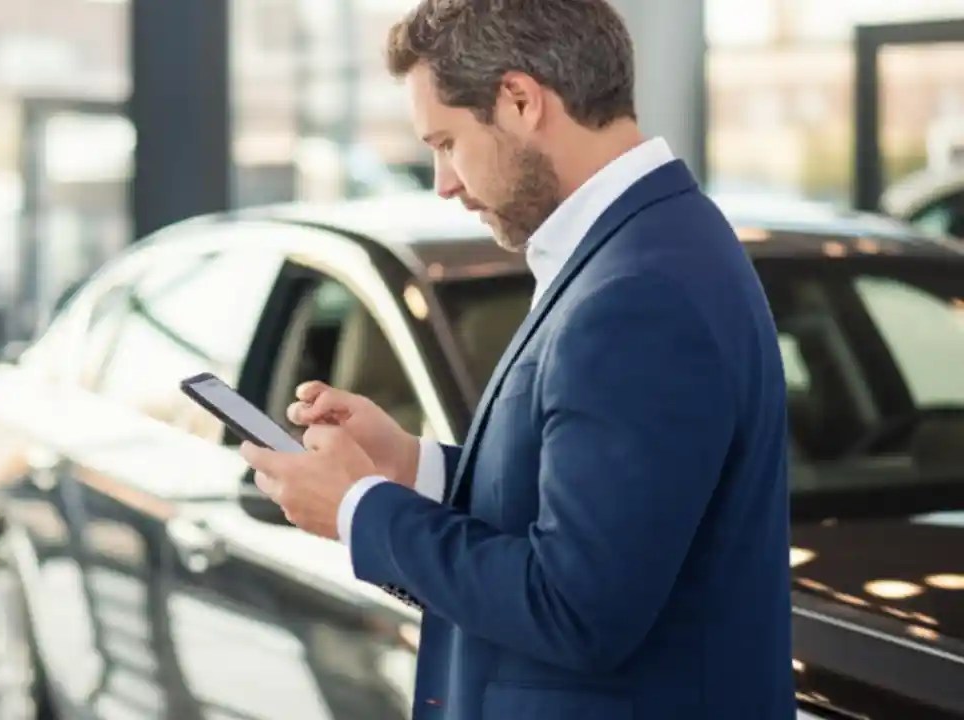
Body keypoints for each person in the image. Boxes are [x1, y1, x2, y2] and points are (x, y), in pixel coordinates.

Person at [239, 1, 795, 718]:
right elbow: (584, 517)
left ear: (521, 99)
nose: (443, 181)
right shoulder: (645, 247)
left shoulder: (638, 290)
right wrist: (411, 467)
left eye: (447, 142)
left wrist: (359, 508)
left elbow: (576, 607)